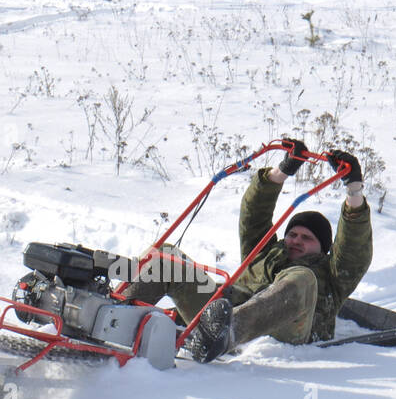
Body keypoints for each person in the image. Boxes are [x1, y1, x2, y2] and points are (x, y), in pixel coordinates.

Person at [122, 138, 374, 362]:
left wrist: (353, 189)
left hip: (284, 332)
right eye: (292, 234)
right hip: (219, 320)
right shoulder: (265, 253)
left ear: (323, 248)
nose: (296, 240)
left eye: (306, 238)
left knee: (301, 276)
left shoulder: (331, 276)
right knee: (165, 257)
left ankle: (225, 332)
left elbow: (355, 245)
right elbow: (254, 212)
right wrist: (282, 170)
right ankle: (116, 319)